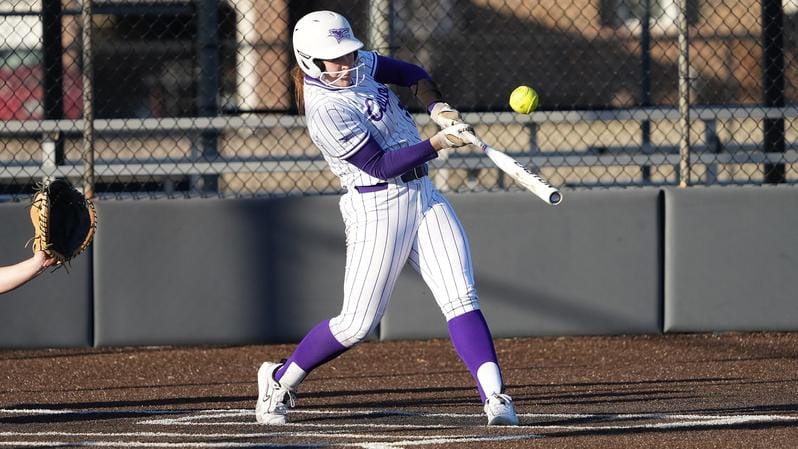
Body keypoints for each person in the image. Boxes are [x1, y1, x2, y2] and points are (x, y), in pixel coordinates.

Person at [255, 10, 519, 427]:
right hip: (376, 207)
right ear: (310, 61)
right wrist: (438, 142)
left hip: (424, 196)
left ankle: (496, 397)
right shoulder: (325, 110)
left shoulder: (359, 66)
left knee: (461, 296)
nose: (346, 63)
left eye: (348, 53)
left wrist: (438, 106)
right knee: (357, 324)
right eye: (334, 58)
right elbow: (379, 165)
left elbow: (412, 72)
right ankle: (281, 378)